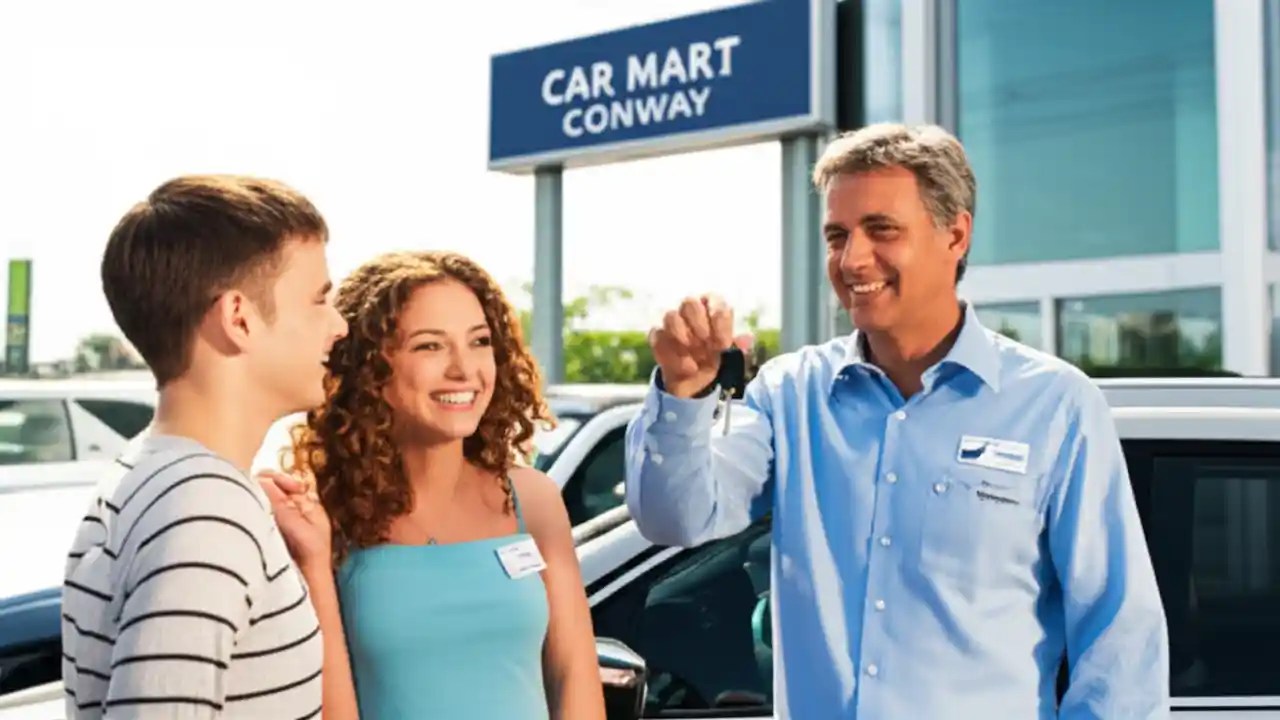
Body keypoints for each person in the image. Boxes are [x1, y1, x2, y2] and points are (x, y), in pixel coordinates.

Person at [624, 123, 1170, 719]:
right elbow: (675, 518)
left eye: (881, 229)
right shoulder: (790, 393)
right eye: (837, 235)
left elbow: (1120, 641)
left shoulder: (1056, 405)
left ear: (955, 234)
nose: (852, 259)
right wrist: (682, 394)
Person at [258, 250, 606, 720]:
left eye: (479, 341)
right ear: (369, 368)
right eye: (430, 346)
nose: (464, 369)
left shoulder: (533, 499)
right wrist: (314, 563)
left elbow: (575, 680)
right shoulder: (317, 513)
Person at [62, 175, 348, 718]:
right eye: (318, 300)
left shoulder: (145, 474)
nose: (338, 324)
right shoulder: (206, 509)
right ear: (238, 318)